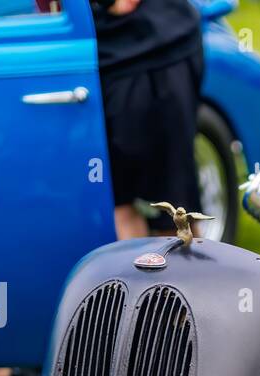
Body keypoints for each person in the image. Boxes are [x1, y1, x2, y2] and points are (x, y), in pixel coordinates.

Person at [92, 0, 205, 239]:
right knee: (117, 197)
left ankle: (186, 273)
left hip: (151, 50)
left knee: (172, 209)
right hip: (106, 49)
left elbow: (124, 4)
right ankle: (137, 273)